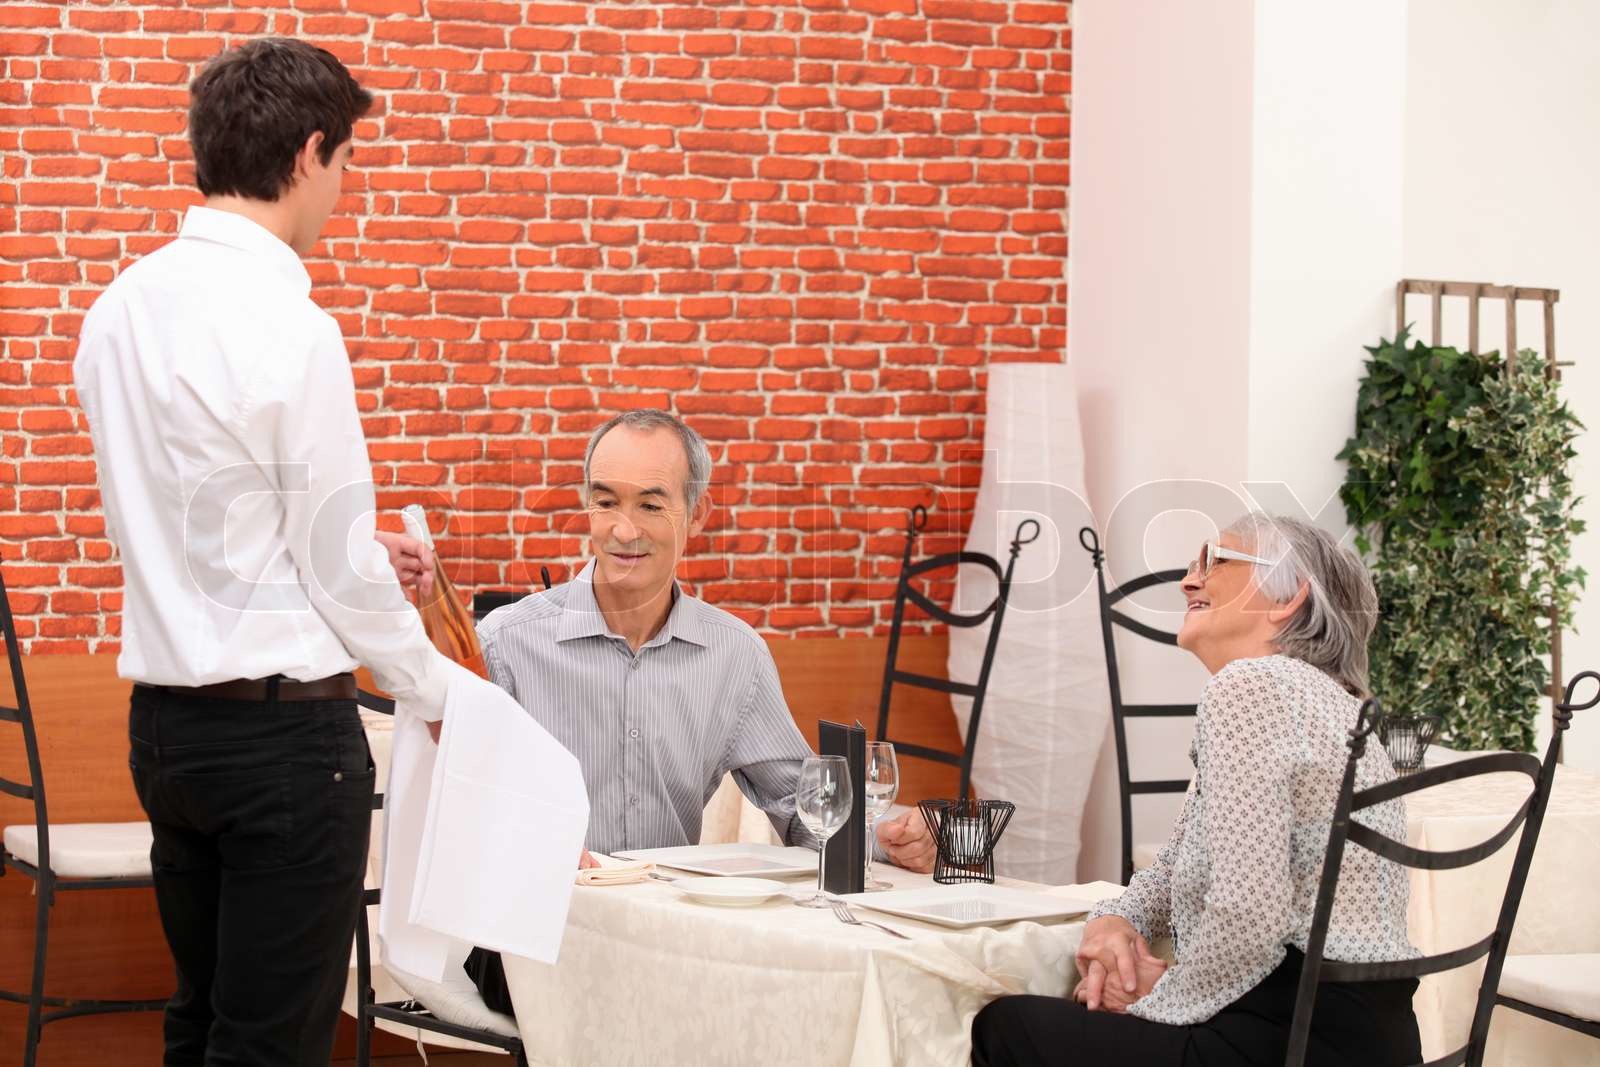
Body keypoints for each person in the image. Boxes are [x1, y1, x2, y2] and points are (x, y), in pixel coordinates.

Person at [73, 38, 451, 1066]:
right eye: (346, 163)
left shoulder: (116, 313)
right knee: (271, 1045)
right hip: (282, 749)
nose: (342, 189)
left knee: (199, 1024)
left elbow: (189, 512)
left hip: (168, 736)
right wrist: (433, 688)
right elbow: (336, 566)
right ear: (309, 152)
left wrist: (343, 543)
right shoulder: (290, 325)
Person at [462, 409, 938, 1016]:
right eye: (606, 502)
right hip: (535, 938)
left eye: (651, 506)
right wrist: (526, 845)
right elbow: (456, 804)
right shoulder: (507, 642)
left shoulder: (735, 656)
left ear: (697, 514)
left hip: (668, 940)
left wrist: (888, 838)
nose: (623, 530)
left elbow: (801, 804)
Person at [971, 514, 1421, 1067]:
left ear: (1289, 600)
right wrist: (1118, 918)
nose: (1188, 580)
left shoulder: (1250, 687)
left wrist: (1159, 1003)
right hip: (1367, 1034)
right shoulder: (1325, 703)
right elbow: (1177, 865)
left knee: (1006, 1026)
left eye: (1216, 560)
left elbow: (1248, 913)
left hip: (1291, 1036)